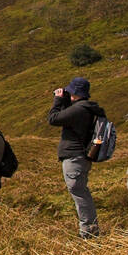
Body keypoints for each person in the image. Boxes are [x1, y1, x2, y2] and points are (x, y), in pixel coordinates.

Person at [48, 77, 103, 238]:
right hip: (80, 157)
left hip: (74, 158)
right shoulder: (84, 109)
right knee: (80, 191)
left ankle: (88, 232)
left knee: (79, 192)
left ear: (76, 93)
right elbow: (66, 117)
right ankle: (89, 229)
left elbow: (53, 119)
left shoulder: (80, 109)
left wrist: (58, 100)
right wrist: (66, 102)